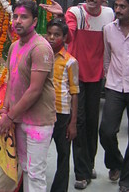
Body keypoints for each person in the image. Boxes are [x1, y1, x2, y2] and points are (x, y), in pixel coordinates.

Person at [40, 0, 115, 189]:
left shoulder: (109, 15)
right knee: (79, 123)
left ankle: (89, 163)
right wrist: (60, 15)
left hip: (96, 77)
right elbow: (69, 35)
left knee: (93, 123)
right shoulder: (75, 12)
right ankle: (81, 172)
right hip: (76, 76)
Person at [0, 0, 56, 192]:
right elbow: (11, 82)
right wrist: (5, 110)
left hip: (38, 122)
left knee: (36, 173)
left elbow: (35, 90)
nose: (18, 21)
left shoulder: (40, 48)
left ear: (35, 21)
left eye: (24, 17)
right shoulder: (14, 46)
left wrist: (10, 116)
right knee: (24, 169)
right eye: (15, 16)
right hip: (19, 119)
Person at [99, 0, 129, 192]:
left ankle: (127, 182)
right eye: (116, 6)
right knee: (106, 131)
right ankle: (116, 162)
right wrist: (108, 76)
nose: (117, 10)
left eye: (122, 7)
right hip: (115, 86)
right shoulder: (109, 29)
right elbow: (107, 56)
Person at [46, 18, 79, 192]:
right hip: (44, 112)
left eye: (57, 35)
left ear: (65, 37)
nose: (52, 38)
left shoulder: (70, 61)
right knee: (36, 154)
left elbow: (74, 93)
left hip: (62, 114)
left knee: (64, 154)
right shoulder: (41, 56)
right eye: (50, 34)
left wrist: (72, 123)